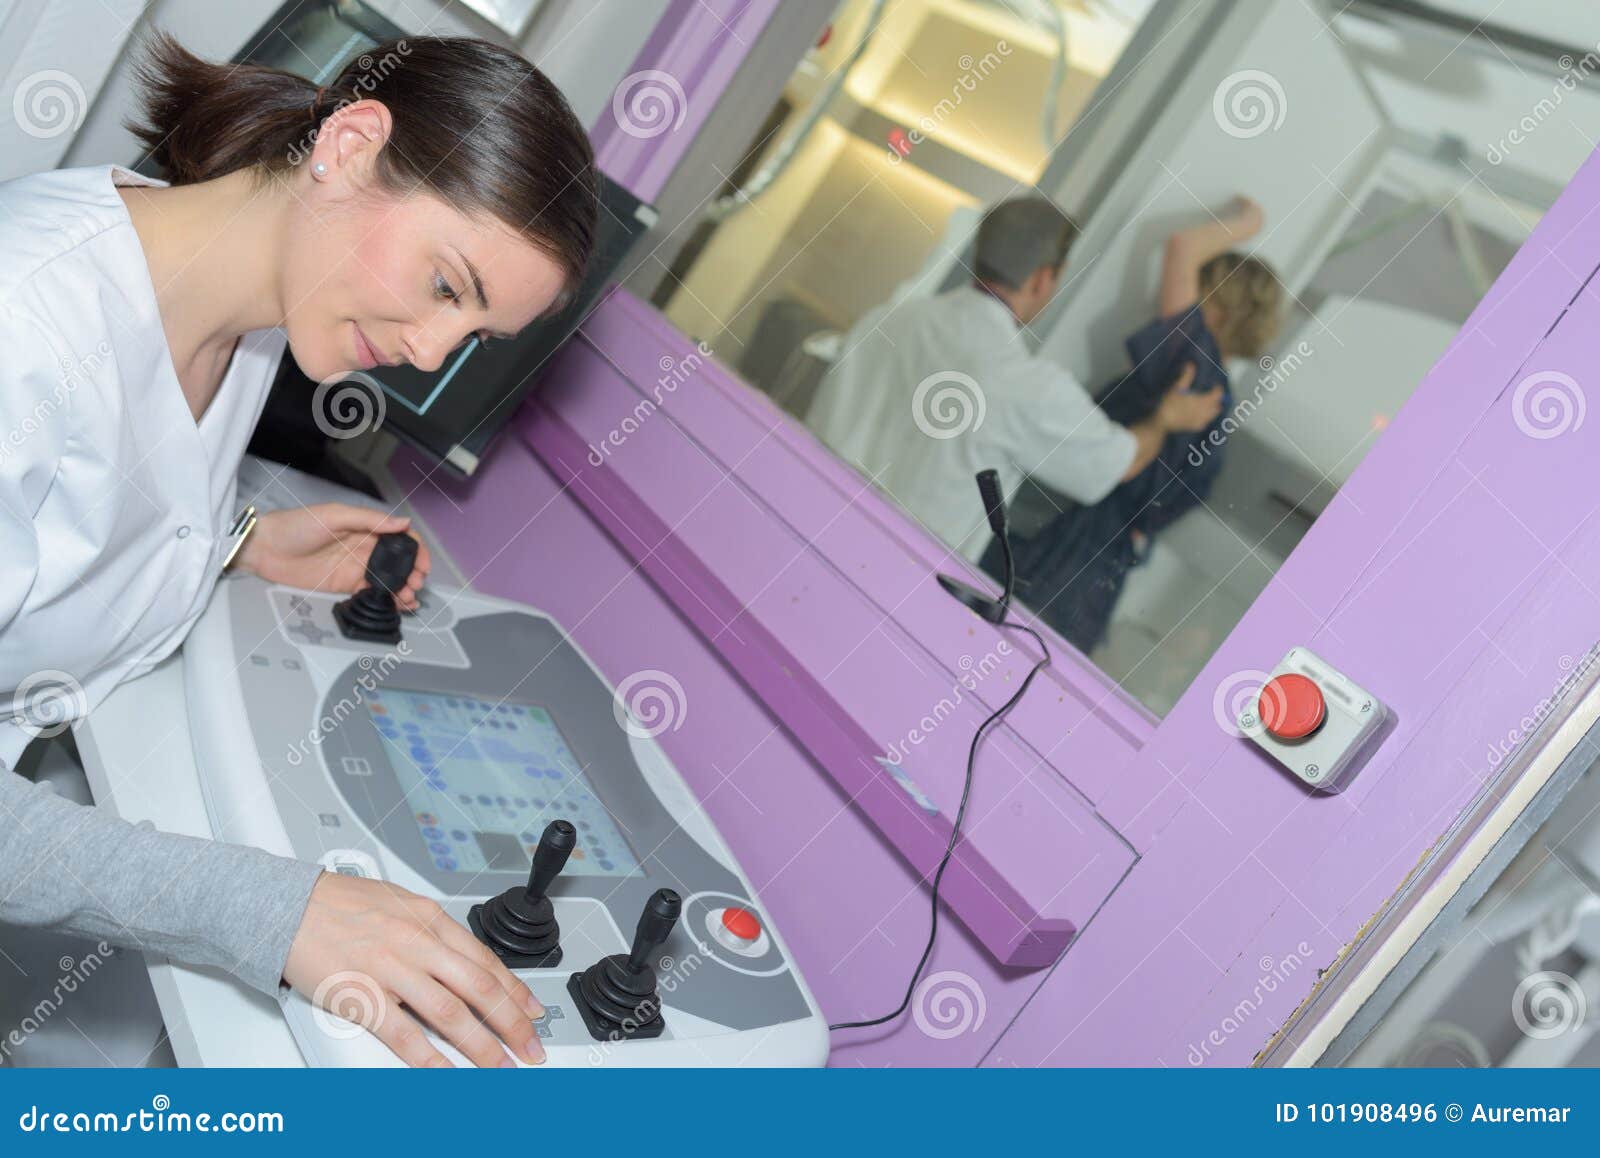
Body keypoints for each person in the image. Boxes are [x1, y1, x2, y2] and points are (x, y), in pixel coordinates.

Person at [0, 33, 598, 1068]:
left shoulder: (253, 319)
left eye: (472, 336)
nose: (426, 353)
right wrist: (280, 913)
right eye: (446, 287)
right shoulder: (27, 328)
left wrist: (231, 545)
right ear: (352, 143)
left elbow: (82, 495)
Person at [805, 196, 1223, 563]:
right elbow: (1121, 462)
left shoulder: (888, 319)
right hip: (885, 583)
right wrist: (1165, 420)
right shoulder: (1025, 385)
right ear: (1043, 278)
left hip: (803, 526)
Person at [984, 197, 1284, 653]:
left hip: (1055, 555)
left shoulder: (1193, 365)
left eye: (1200, 290)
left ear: (1218, 311)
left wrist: (1249, 221)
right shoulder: (1217, 407)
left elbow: (1181, 249)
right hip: (1090, 584)